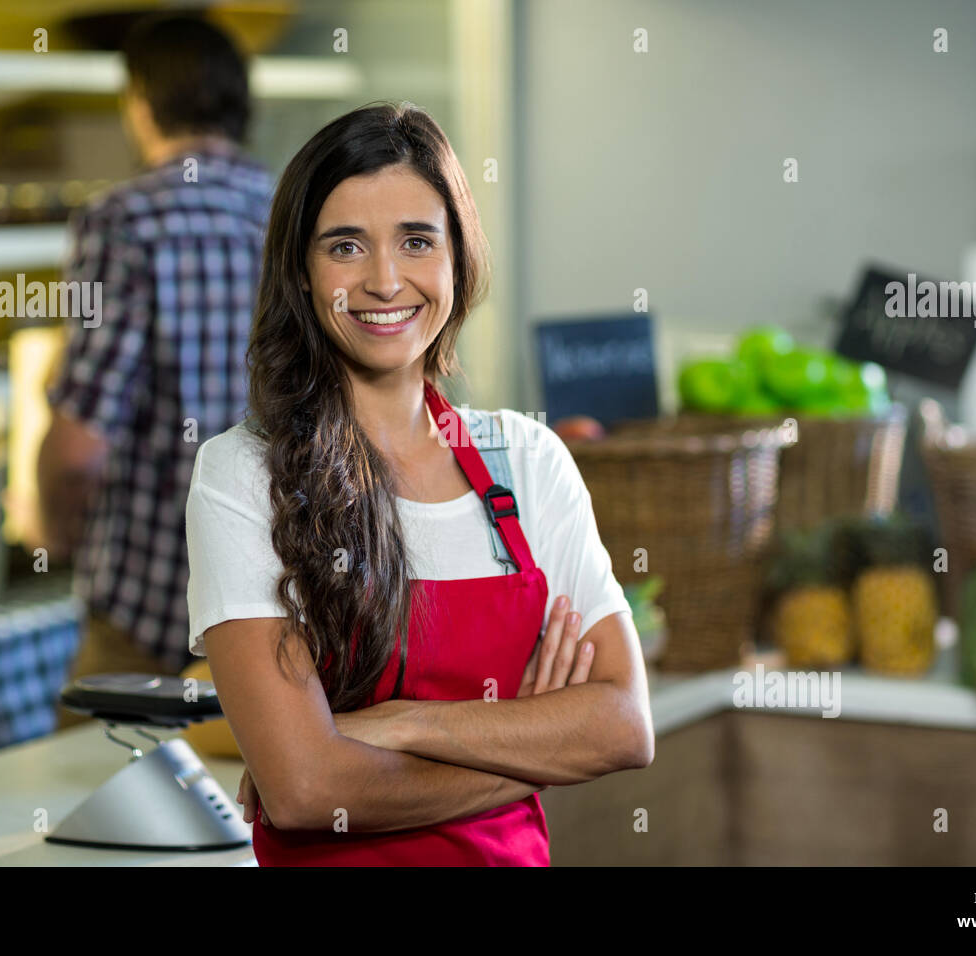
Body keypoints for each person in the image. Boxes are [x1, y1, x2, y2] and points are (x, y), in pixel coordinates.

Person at [185, 102, 655, 866]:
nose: (384, 279)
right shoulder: (243, 475)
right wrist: (532, 735)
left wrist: (404, 723)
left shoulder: (528, 461)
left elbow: (624, 726)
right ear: (301, 277)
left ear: (458, 259)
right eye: (345, 246)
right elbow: (306, 789)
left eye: (416, 241)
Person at [39, 15, 273, 731]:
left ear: (141, 102)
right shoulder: (296, 212)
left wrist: (52, 533)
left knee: (93, 814)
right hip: (272, 603)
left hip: (147, 607)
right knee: (245, 821)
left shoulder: (125, 220)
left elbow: (80, 448)